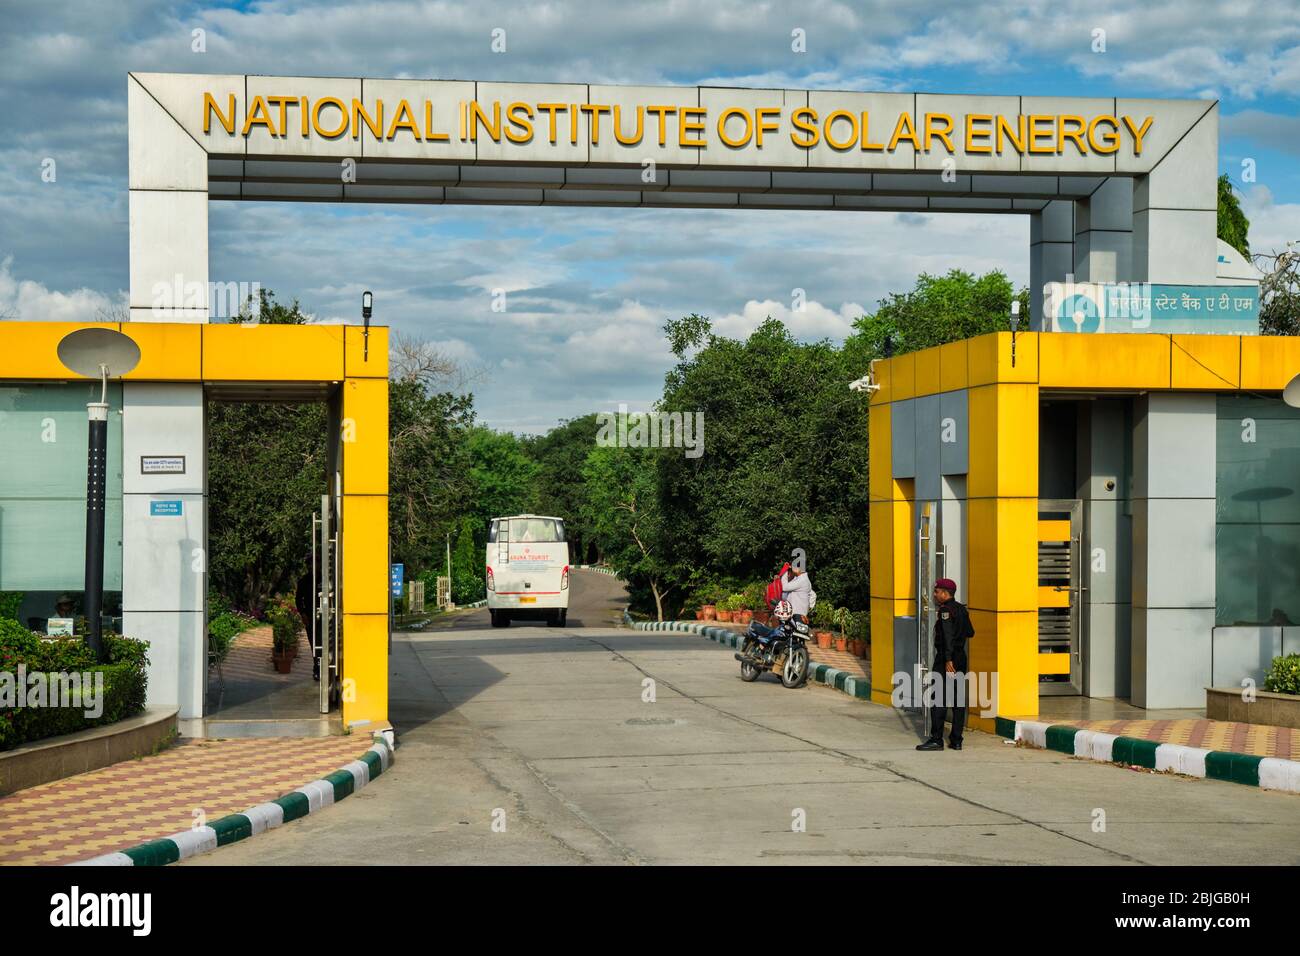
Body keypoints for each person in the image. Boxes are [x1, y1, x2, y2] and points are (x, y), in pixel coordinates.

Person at [916, 578, 974, 752]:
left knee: (938, 698)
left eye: (936, 592)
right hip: (960, 657)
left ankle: (936, 739)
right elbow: (971, 632)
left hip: (946, 659)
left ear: (944, 593)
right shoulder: (961, 610)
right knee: (957, 700)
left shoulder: (946, 611)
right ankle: (956, 740)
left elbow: (947, 637)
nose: (934, 595)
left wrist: (948, 659)